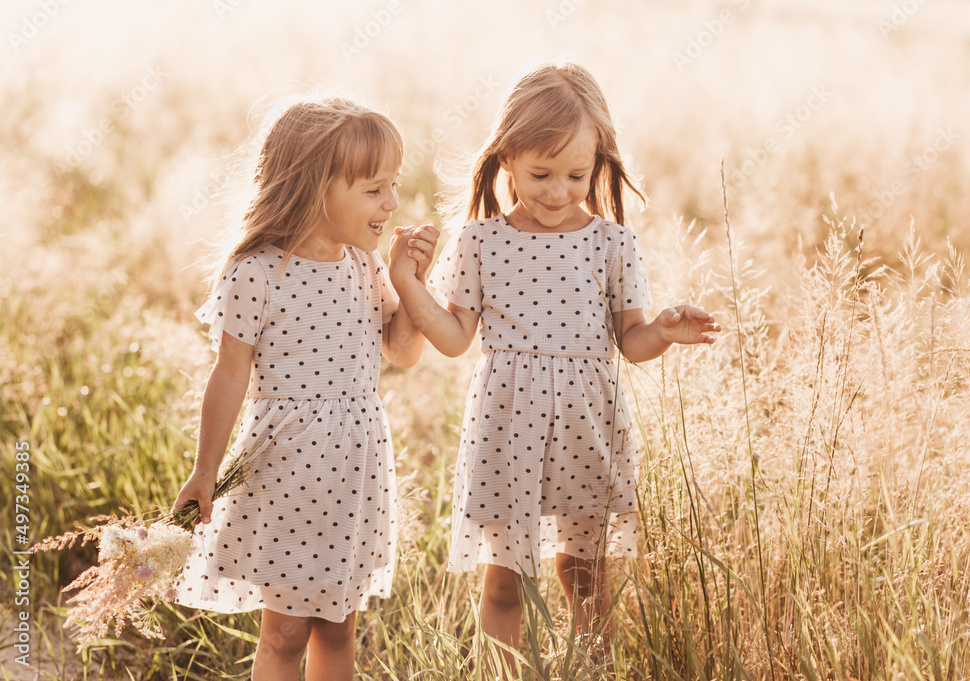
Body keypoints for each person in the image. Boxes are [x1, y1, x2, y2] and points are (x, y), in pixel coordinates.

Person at [389, 61, 720, 676]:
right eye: (541, 173)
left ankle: (595, 668)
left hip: (586, 424)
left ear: (599, 164)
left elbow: (632, 341)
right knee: (504, 577)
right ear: (506, 158)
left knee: (585, 571)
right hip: (507, 424)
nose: (558, 191)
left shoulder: (613, 243)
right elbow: (457, 338)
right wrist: (409, 286)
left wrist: (665, 332)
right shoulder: (480, 240)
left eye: (576, 174)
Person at [171, 94, 437, 681]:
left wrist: (408, 283)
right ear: (316, 188)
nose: (391, 204)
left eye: (392, 186)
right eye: (374, 190)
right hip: (286, 468)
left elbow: (402, 352)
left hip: (355, 466)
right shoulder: (257, 272)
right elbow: (230, 374)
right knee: (286, 631)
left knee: (340, 623)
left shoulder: (364, 268)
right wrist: (205, 470)